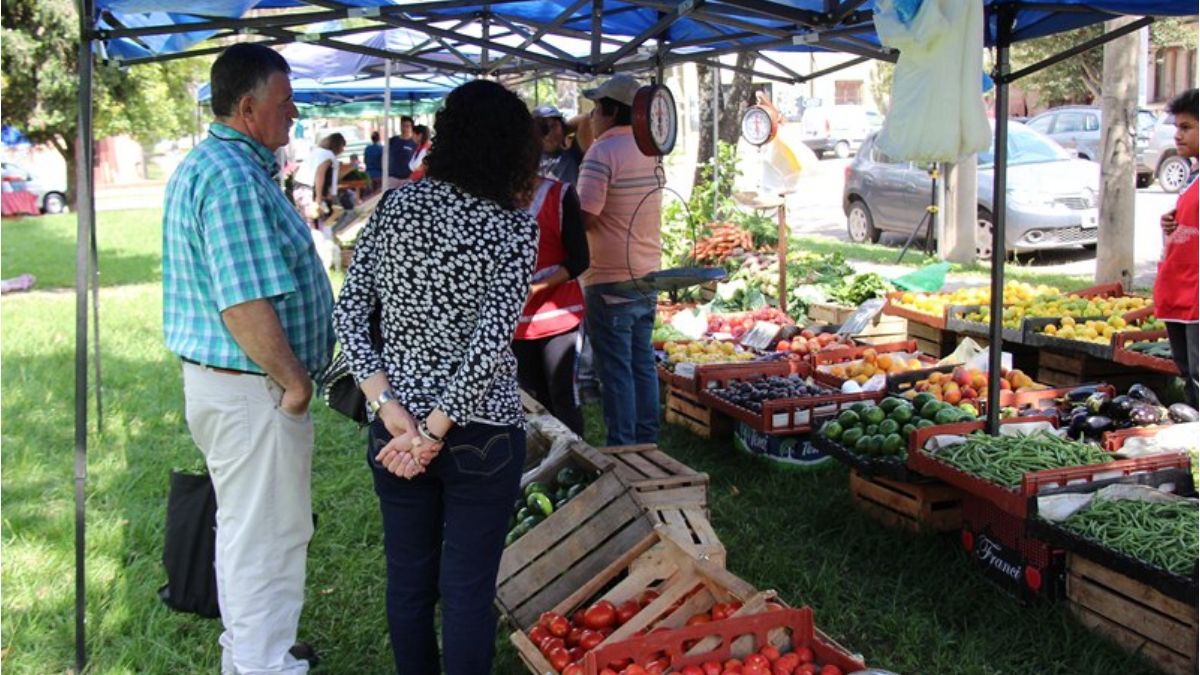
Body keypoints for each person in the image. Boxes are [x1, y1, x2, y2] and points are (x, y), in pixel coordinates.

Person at [331, 80, 539, 675]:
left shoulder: (396, 206)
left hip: (395, 433)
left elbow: (348, 311)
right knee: (469, 593)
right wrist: (434, 429)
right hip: (482, 433)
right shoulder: (512, 228)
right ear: (511, 150)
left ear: (446, 138)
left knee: (409, 584)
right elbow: (488, 346)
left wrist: (388, 409)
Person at [162, 43, 333, 675]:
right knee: (268, 538)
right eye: (285, 102)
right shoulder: (232, 178)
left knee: (249, 531)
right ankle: (264, 665)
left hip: (232, 387)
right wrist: (293, 384)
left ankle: (251, 655)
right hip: (251, 388)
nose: (293, 112)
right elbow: (243, 303)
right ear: (247, 106)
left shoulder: (225, 166)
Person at [575, 74, 663, 446]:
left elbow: (588, 215)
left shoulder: (603, 152)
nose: (591, 116)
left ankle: (624, 447)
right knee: (641, 361)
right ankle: (646, 439)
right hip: (648, 273)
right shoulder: (651, 148)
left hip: (610, 277)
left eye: (595, 108)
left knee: (616, 369)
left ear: (610, 110)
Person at [513, 125, 590, 435]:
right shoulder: (492, 204)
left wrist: (536, 289)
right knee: (530, 400)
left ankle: (579, 466)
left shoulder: (559, 195)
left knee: (563, 398)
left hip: (559, 318)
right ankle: (544, 469)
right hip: (515, 324)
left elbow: (580, 260)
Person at [1155, 88, 1198, 407]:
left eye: (1187, 127)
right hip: (1180, 294)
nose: (1177, 135)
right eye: (1177, 126)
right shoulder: (1192, 176)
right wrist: (1171, 227)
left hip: (1195, 299)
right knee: (1189, 377)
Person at [294, 131, 346, 226]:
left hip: (300, 187)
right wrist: (318, 198)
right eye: (342, 146)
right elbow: (320, 174)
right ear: (337, 145)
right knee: (314, 220)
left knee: (309, 220)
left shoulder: (317, 152)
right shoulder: (328, 156)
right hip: (309, 190)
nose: (343, 150)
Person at [533, 105, 584, 186]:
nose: (549, 133)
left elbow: (584, 119)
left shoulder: (573, 154)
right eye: (543, 127)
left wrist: (562, 133)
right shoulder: (530, 160)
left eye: (554, 126)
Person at [385, 115, 417, 188]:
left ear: (412, 127)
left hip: (408, 178)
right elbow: (385, 156)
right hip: (392, 178)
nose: (405, 128)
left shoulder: (414, 143)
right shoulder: (392, 140)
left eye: (407, 126)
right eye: (403, 125)